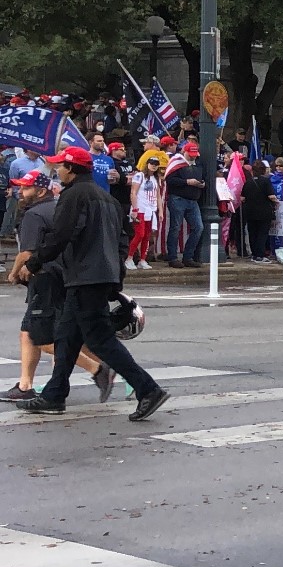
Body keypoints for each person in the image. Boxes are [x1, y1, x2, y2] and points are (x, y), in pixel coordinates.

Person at [9, 147, 168, 420]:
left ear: (71, 169)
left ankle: (148, 389)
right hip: (98, 275)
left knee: (100, 339)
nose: (57, 170)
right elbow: (123, 238)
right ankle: (54, 395)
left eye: (61, 166)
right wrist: (115, 274)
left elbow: (61, 235)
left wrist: (33, 263)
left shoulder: (74, 196)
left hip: (84, 276)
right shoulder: (107, 198)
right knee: (66, 337)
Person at [6, 172, 110, 403]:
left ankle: (98, 370)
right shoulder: (59, 208)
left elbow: (27, 252)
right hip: (68, 276)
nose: (19, 193)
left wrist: (14, 273)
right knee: (31, 332)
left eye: (25, 188)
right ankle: (25, 385)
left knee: (42, 336)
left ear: (41, 191)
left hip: (45, 279)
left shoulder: (33, 214)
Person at [240, 160, 276, 262]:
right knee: (262, 233)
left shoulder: (248, 182)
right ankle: (260, 254)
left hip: (250, 211)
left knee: (252, 233)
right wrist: (276, 202)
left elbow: (242, 198)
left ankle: (254, 254)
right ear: (264, 170)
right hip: (264, 211)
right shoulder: (266, 181)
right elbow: (271, 196)